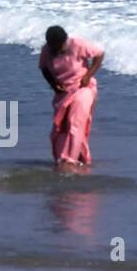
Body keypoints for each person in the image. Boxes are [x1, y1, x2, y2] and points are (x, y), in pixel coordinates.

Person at [38, 25, 104, 167]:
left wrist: (88, 75)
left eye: (59, 46)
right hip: (64, 93)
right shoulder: (47, 50)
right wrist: (53, 84)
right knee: (61, 128)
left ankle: (69, 160)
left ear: (64, 41)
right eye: (53, 47)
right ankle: (81, 159)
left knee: (76, 123)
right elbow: (43, 68)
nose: (56, 50)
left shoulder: (77, 44)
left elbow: (99, 55)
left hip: (83, 88)